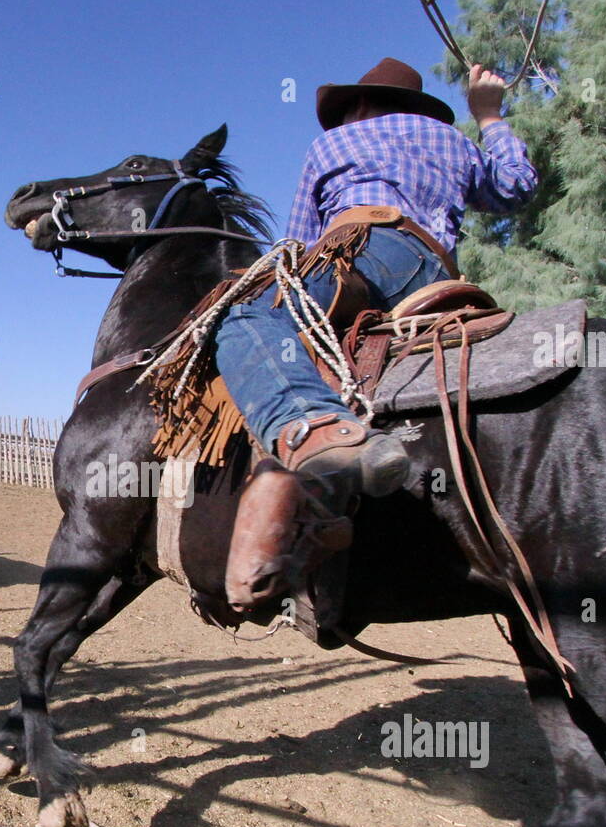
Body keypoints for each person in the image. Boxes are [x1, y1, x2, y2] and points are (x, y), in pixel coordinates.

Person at [217, 57, 539, 607]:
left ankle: (320, 438)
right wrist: (489, 115)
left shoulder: (334, 144)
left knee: (249, 317)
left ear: (358, 105)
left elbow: (298, 244)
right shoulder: (452, 140)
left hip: (362, 252)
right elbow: (516, 187)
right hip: (435, 271)